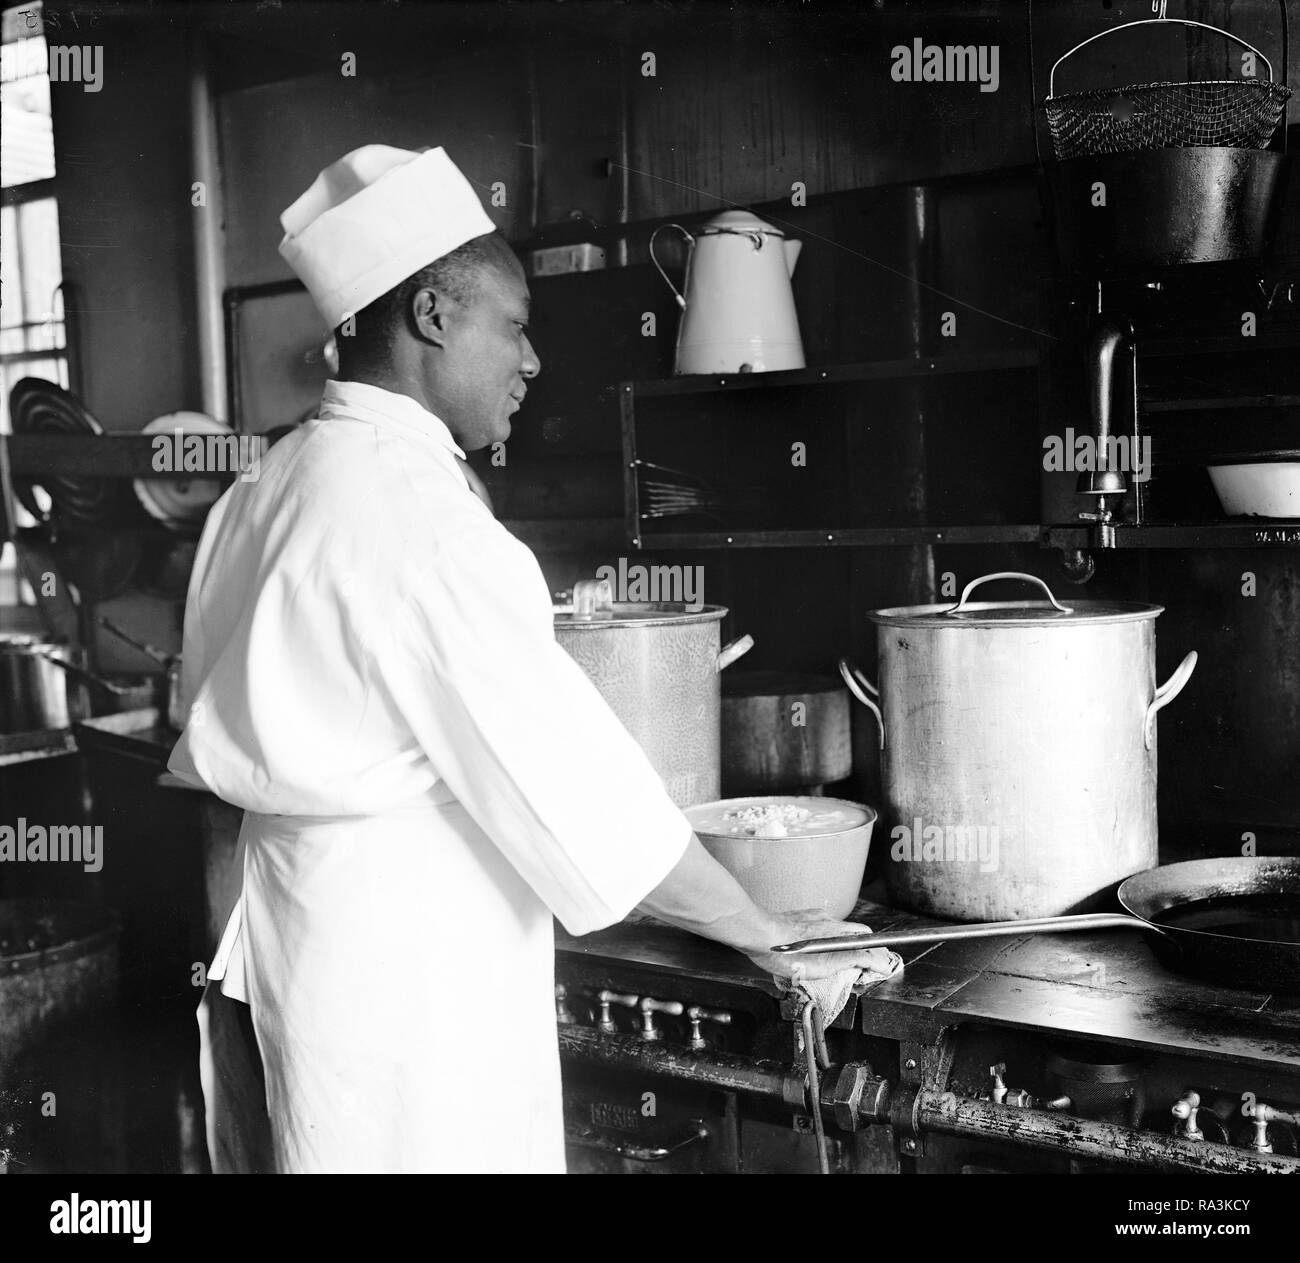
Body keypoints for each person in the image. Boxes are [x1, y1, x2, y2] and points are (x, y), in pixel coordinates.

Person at [168, 144, 894, 1174]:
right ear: (431, 316)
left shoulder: (264, 484)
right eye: (512, 325)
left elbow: (207, 721)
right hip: (411, 977)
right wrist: (771, 933)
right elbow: (576, 794)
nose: (532, 361)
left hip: (296, 936)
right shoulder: (422, 521)